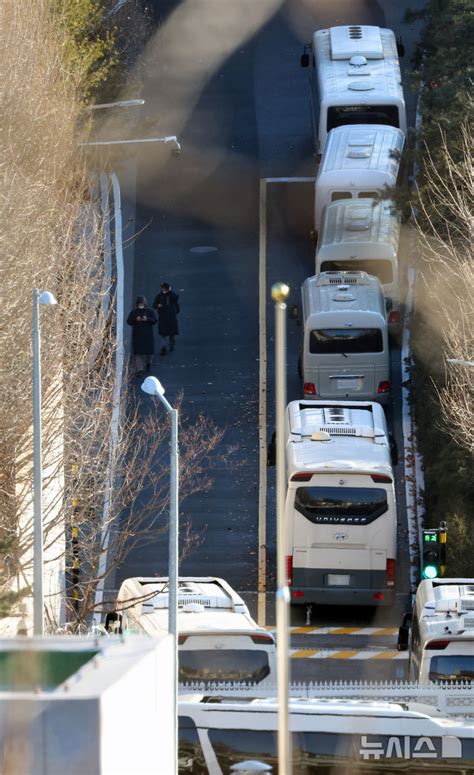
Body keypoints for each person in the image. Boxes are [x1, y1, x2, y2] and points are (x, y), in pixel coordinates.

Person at [127, 295, 157, 375]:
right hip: (138, 335)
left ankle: (148, 363)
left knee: (149, 353)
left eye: (142, 304)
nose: (141, 305)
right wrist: (136, 320)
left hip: (148, 335)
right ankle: (139, 369)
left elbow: (155, 320)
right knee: (138, 354)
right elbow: (129, 321)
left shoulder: (150, 311)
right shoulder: (134, 312)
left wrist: (147, 319)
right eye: (140, 304)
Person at [152, 282, 180, 356]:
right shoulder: (159, 296)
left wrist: (170, 292)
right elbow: (154, 305)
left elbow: (176, 298)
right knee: (163, 333)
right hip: (163, 317)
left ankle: (171, 345)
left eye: (165, 289)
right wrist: (158, 305)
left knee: (172, 332)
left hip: (171, 316)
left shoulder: (172, 295)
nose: (164, 290)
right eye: (163, 288)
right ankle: (163, 347)